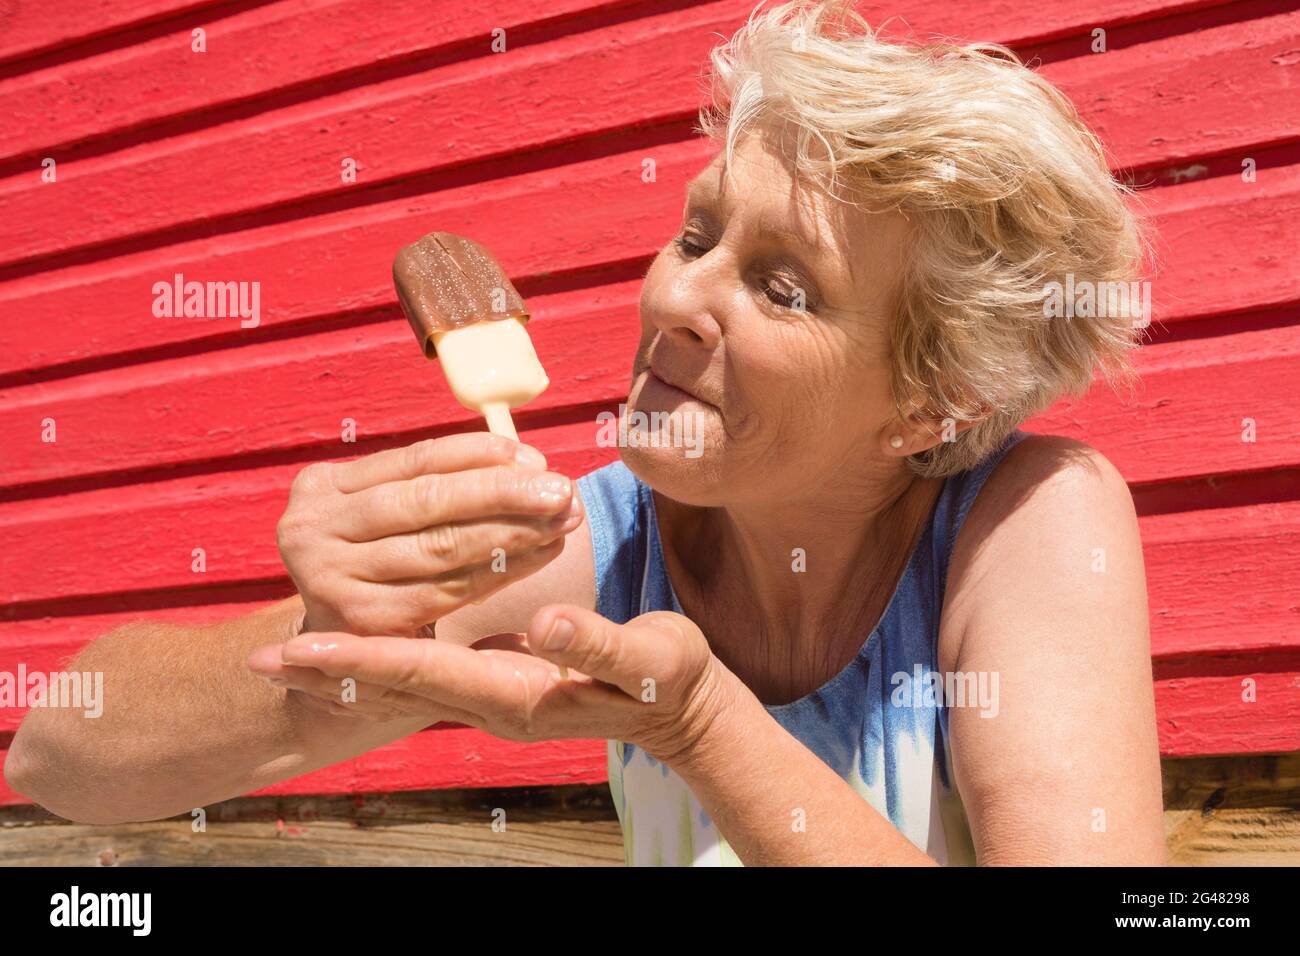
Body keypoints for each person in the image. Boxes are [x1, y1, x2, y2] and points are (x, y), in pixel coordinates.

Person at [5, 0, 1166, 865]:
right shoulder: (602, 542)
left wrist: (706, 725)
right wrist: (331, 654)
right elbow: (57, 757)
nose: (672, 300)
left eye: (782, 286)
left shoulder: (1029, 522)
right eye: (696, 233)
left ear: (931, 403)